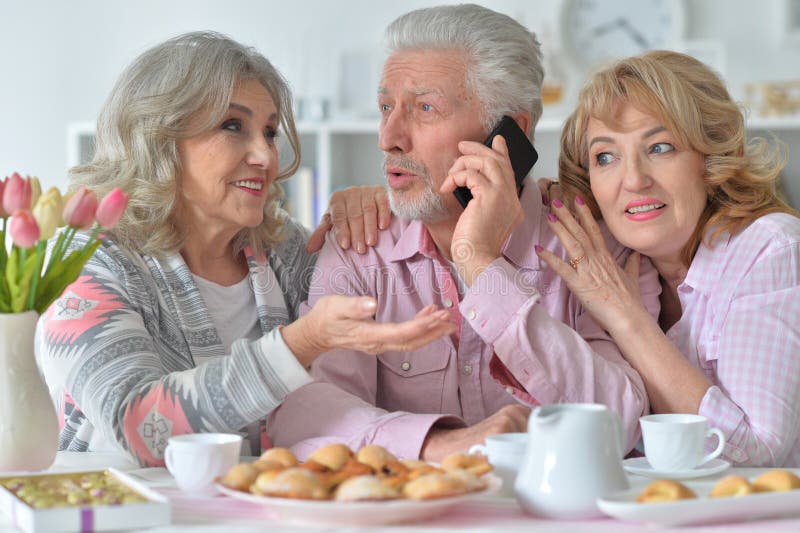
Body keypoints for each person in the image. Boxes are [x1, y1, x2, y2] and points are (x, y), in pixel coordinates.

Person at [36, 31, 455, 467]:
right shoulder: (86, 262)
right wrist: (300, 343)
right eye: (232, 126)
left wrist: (527, 203)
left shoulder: (288, 251)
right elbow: (141, 427)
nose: (265, 157)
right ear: (159, 138)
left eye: (270, 132)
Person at [268, 4, 661, 461]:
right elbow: (305, 413)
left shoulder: (593, 245)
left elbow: (621, 423)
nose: (388, 137)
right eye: (385, 107)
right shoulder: (359, 245)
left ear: (508, 134)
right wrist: (442, 444)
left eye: (424, 108)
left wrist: (482, 264)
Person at [537, 50, 800, 466]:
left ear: (710, 159)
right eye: (605, 157)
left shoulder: (771, 249)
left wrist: (627, 320)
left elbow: (757, 452)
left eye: (659, 147)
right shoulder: (614, 260)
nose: (634, 179)